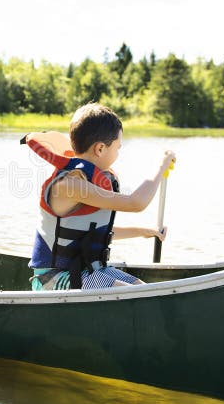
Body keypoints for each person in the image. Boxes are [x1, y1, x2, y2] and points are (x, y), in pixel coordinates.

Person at [23, 102, 175, 290]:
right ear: (100, 149)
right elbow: (136, 203)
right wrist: (161, 165)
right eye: (118, 148)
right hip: (54, 279)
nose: (119, 153)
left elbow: (93, 234)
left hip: (85, 271)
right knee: (134, 295)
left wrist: (144, 231)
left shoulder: (87, 182)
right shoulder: (71, 185)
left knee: (142, 288)